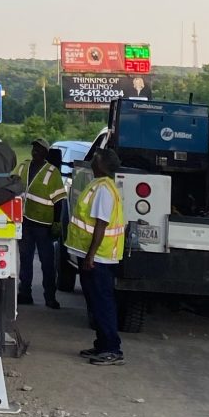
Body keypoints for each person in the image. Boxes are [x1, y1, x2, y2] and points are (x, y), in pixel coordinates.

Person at [64, 145, 126, 365]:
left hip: (98, 257)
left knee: (102, 302)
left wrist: (90, 256)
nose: (92, 160)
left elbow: (101, 225)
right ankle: (102, 345)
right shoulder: (100, 185)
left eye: (96, 157)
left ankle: (112, 349)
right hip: (93, 255)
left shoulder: (104, 190)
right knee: (95, 301)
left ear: (101, 164)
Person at [20, 138, 65, 307]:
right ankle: (25, 293)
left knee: (47, 263)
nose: (35, 151)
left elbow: (59, 201)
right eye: (33, 148)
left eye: (39, 149)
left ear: (46, 152)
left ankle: (50, 297)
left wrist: (56, 223)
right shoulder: (24, 166)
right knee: (25, 260)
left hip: (44, 225)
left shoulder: (53, 173)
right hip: (25, 222)